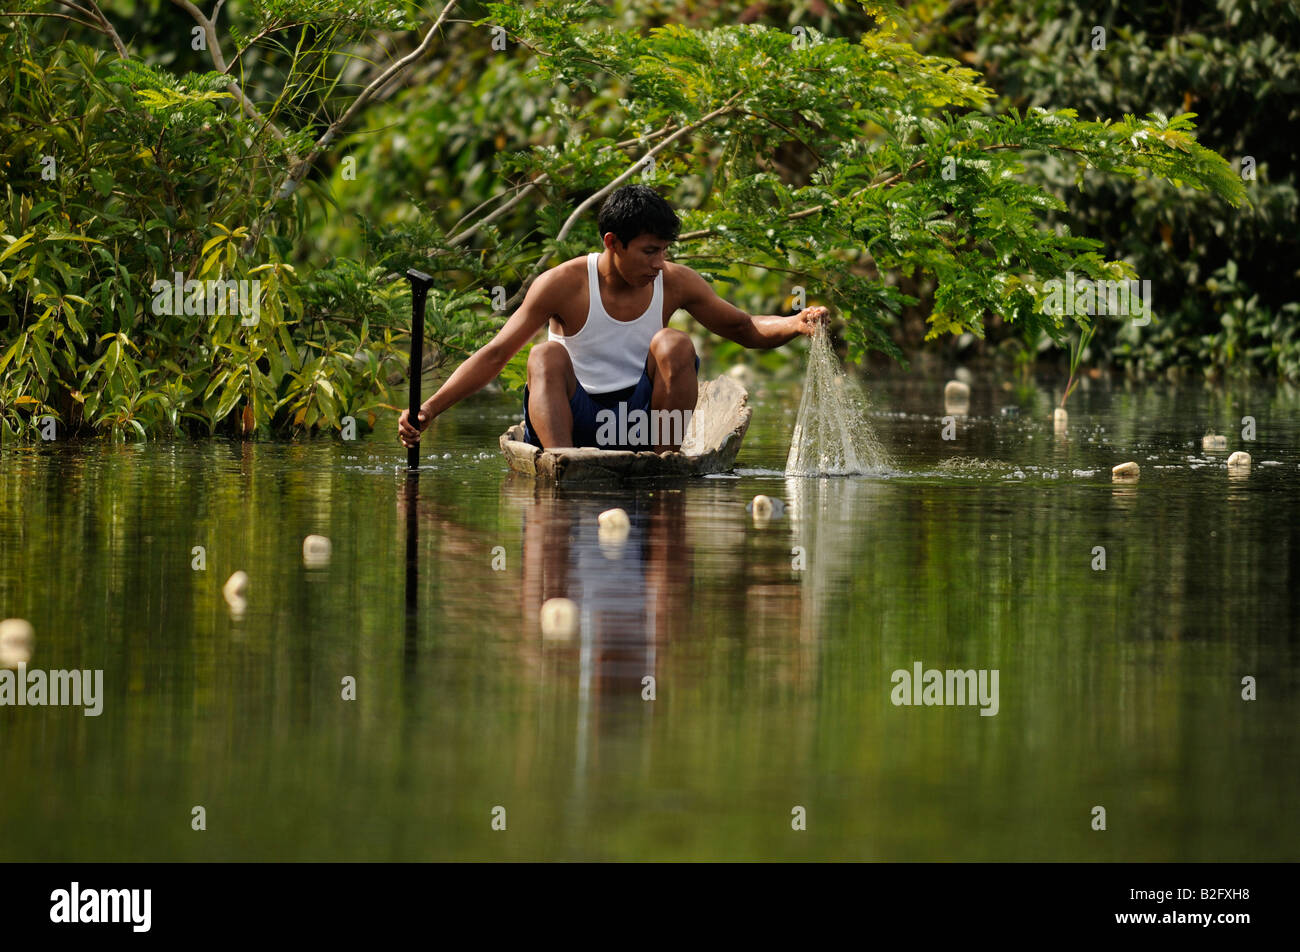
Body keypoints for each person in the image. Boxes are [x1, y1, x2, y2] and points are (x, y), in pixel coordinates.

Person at [398, 184, 827, 454]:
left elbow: (743, 327)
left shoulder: (675, 281)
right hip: (574, 420)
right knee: (545, 356)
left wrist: (795, 323)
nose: (660, 263)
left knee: (675, 343)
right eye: (649, 251)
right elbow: (495, 354)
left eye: (663, 250)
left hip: (640, 425)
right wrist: (429, 409)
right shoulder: (561, 283)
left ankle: (663, 462)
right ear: (612, 243)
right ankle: (563, 462)